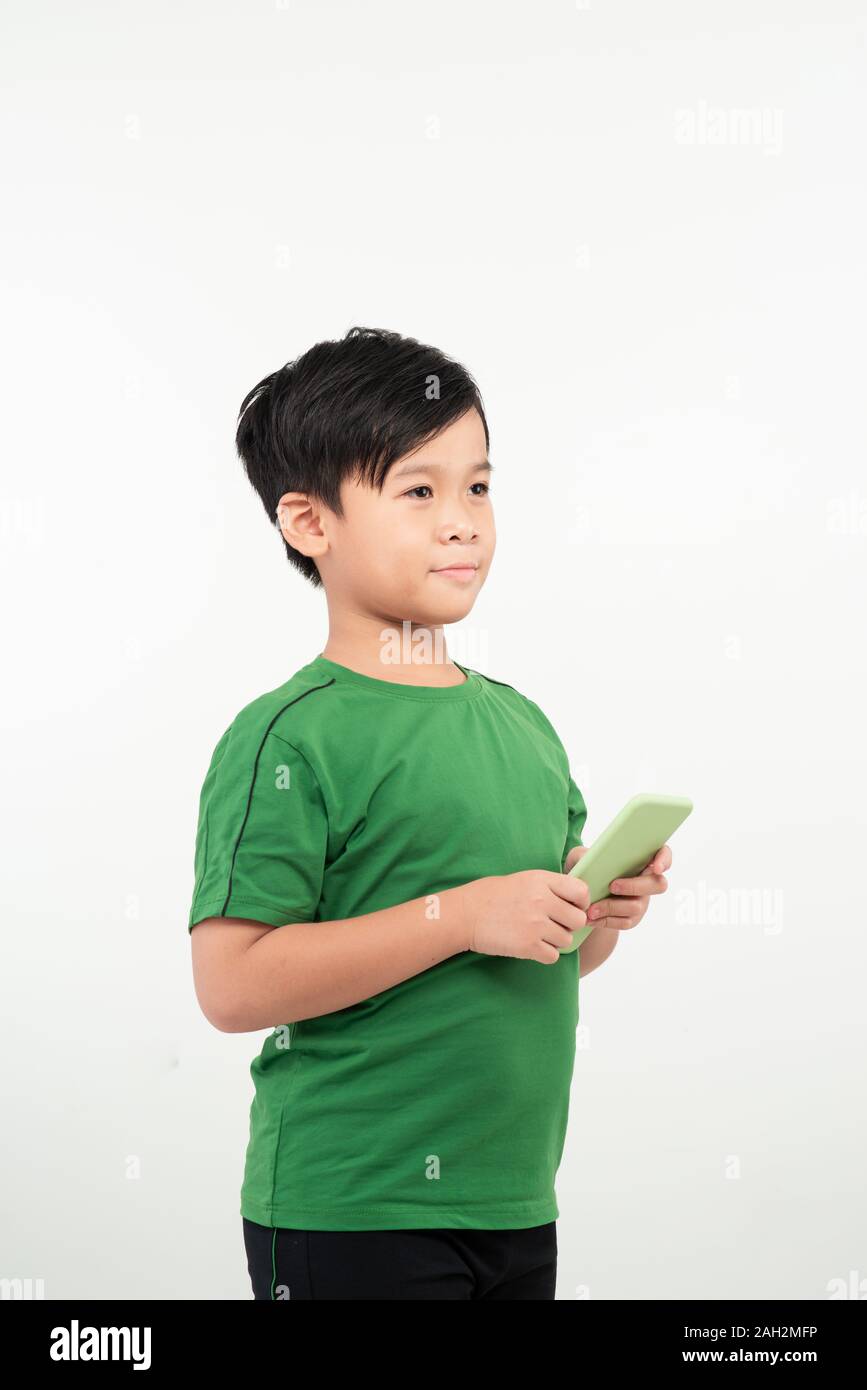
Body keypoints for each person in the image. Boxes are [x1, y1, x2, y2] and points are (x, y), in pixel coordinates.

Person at [187, 325, 671, 1300]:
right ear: (309, 523)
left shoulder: (524, 726)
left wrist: (595, 914)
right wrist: (459, 916)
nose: (463, 522)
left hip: (514, 1200)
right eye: (419, 490)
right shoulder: (289, 737)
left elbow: (548, 953)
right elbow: (232, 986)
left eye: (479, 486)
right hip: (354, 1209)